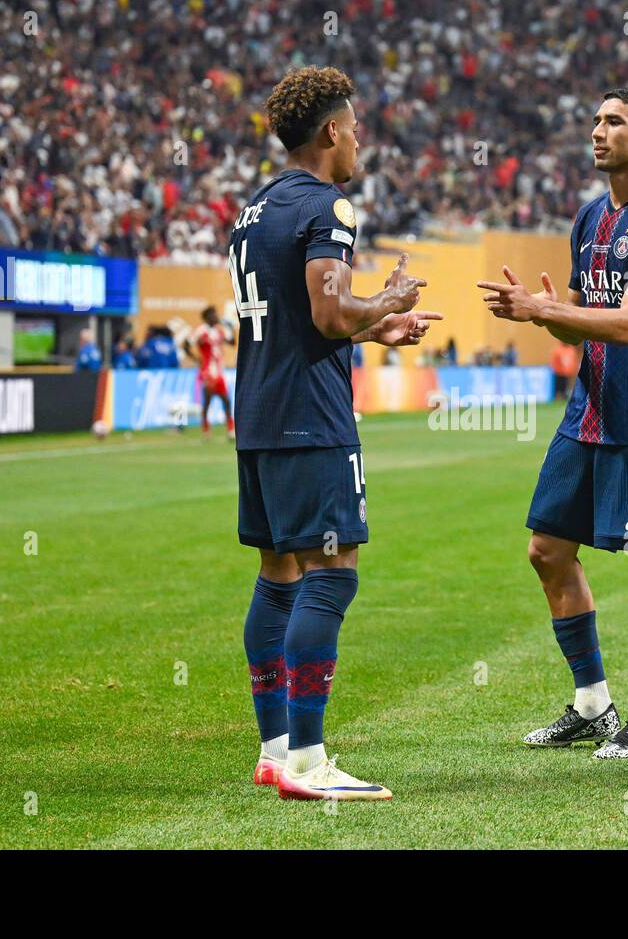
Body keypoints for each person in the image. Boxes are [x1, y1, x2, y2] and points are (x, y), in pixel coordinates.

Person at [231, 66, 441, 800]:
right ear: (331, 132)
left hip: (257, 416)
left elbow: (304, 315)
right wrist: (387, 295)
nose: (359, 143)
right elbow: (326, 314)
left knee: (277, 575)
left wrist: (379, 326)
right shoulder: (330, 206)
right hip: (312, 421)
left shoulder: (253, 210)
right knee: (333, 574)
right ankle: (309, 763)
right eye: (354, 129)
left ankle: (275, 748)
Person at [479, 87, 628, 760]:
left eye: (614, 122)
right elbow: (583, 311)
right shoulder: (588, 219)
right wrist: (544, 309)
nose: (598, 131)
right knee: (547, 550)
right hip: (589, 412)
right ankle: (592, 704)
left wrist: (546, 311)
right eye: (595, 120)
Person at [185, 305, 236, 440]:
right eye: (213, 314)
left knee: (226, 400)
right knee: (208, 401)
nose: (216, 317)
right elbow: (186, 344)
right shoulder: (201, 331)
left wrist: (230, 328)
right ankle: (206, 429)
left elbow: (232, 342)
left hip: (219, 372)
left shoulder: (219, 330)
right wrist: (196, 359)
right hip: (207, 372)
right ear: (207, 317)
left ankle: (230, 429)